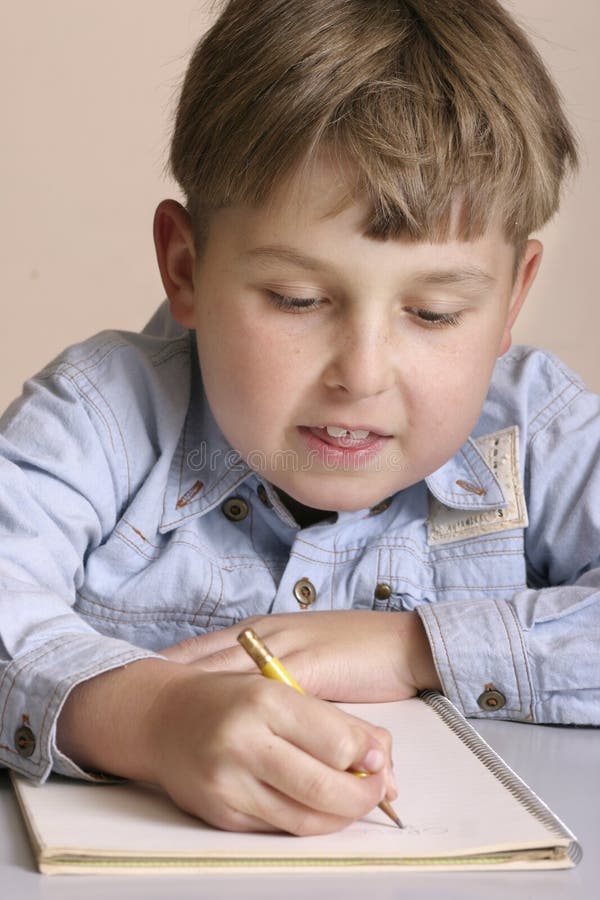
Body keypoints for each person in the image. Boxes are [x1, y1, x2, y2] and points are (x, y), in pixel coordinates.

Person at [0, 0, 597, 837]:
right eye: (298, 299)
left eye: (432, 313)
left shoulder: (539, 431)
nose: (360, 374)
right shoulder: (102, 417)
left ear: (511, 300)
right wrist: (149, 716)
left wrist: (411, 647)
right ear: (187, 266)